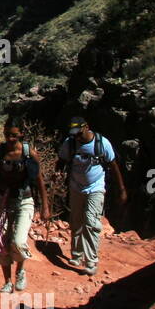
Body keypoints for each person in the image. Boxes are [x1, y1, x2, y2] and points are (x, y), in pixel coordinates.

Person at [0, 118, 48, 293]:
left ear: (21, 135)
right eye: (7, 135)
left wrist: (45, 206)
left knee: (18, 240)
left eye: (14, 135)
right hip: (2, 200)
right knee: (3, 242)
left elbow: (39, 180)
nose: (10, 138)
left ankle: (20, 271)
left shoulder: (29, 153)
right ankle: (7, 281)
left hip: (24, 200)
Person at [56, 114, 126, 276]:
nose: (77, 137)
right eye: (74, 134)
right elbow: (62, 160)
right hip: (75, 187)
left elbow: (113, 165)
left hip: (96, 187)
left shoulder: (102, 143)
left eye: (79, 133)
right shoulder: (71, 143)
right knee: (76, 221)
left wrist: (121, 189)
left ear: (86, 127)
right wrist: (57, 175)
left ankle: (91, 261)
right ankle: (77, 254)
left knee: (91, 222)